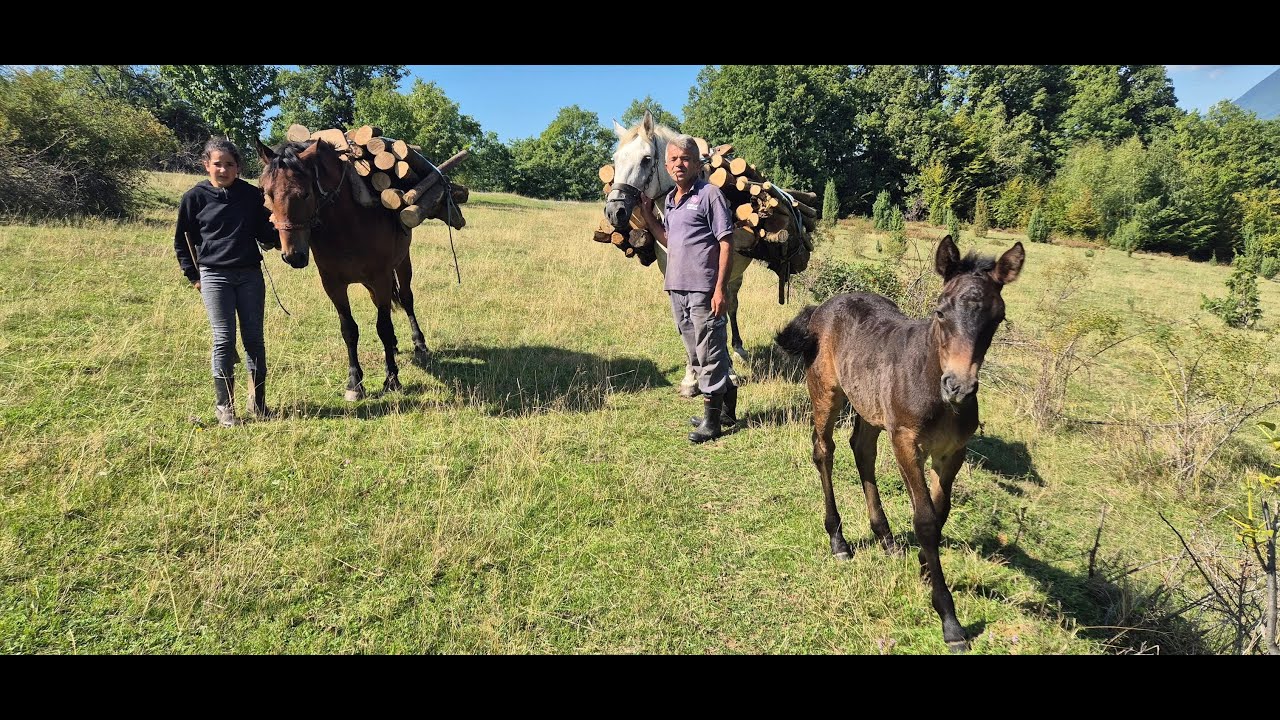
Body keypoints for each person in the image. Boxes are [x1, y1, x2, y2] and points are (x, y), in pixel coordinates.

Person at [637, 134, 738, 443]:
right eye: (673, 159)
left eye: (685, 159)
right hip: (677, 289)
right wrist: (648, 218)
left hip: (704, 290)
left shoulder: (709, 195)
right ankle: (725, 411)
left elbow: (726, 242)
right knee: (697, 352)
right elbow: (671, 241)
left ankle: (712, 423)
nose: (679, 164)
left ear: (696, 163)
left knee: (710, 351)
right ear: (667, 165)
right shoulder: (671, 201)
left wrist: (719, 288)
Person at [174, 137, 280, 427]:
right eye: (217, 164)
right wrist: (194, 277)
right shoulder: (194, 198)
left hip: (249, 275)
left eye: (230, 164)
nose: (223, 170)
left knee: (254, 340)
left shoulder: (250, 195)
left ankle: (258, 405)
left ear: (238, 167)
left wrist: (281, 234)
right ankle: (225, 409)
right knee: (223, 340)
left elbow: (264, 231)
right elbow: (182, 243)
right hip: (214, 275)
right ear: (206, 165)